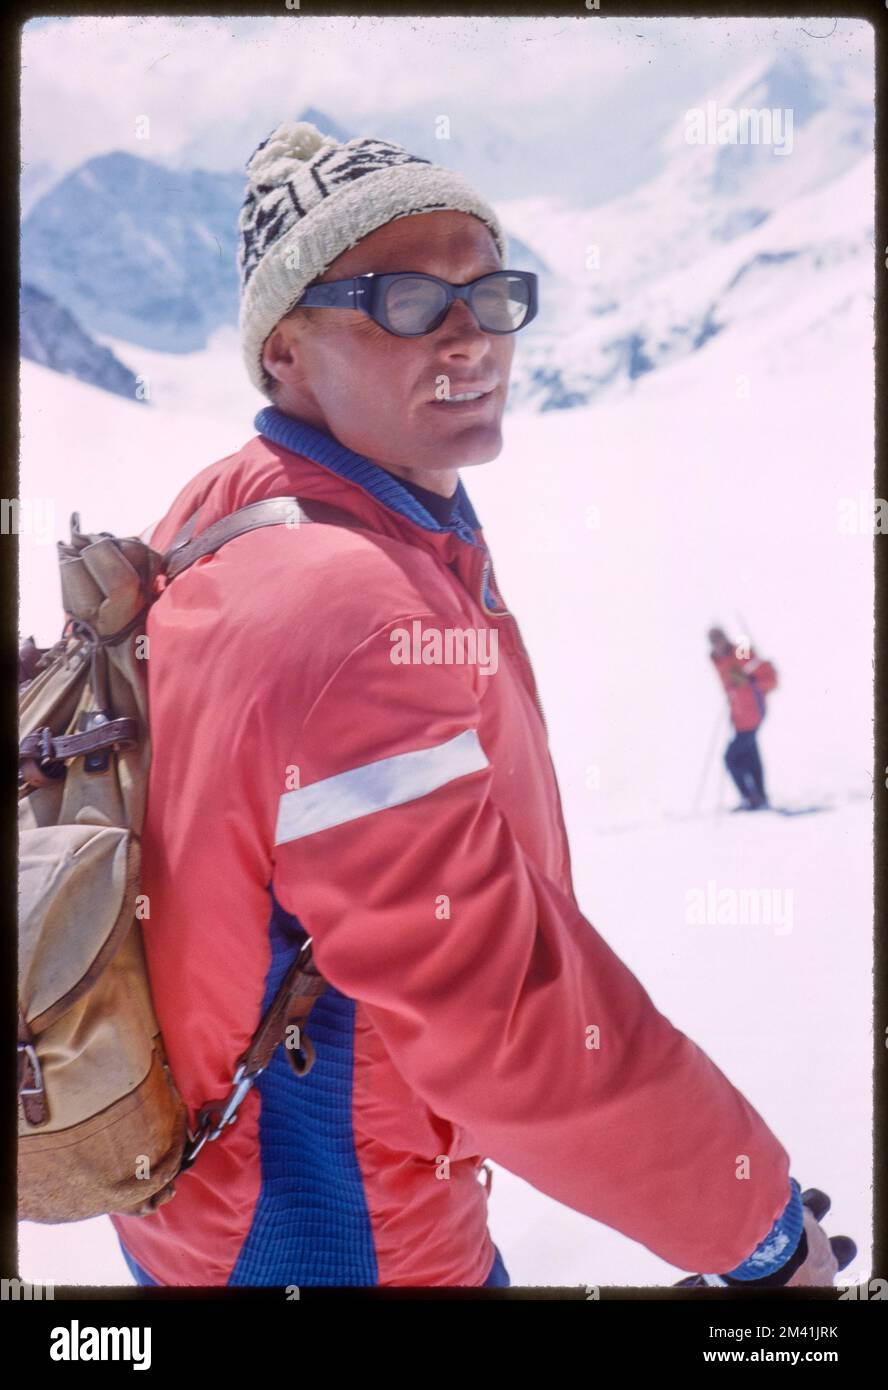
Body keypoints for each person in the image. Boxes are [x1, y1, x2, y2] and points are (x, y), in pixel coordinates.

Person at [110, 120, 838, 1289]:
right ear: (283, 349)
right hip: (334, 1235)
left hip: (232, 1201)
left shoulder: (243, 511)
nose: (471, 334)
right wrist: (757, 1231)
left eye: (490, 291)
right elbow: (505, 1022)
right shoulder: (345, 604)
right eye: (405, 298)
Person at [708, 626, 778, 811]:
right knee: (750, 755)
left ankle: (750, 798)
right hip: (739, 717)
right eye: (714, 642)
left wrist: (750, 681)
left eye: (720, 639)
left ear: (725, 638)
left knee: (731, 758)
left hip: (754, 714)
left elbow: (769, 678)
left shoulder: (740, 650)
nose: (718, 645)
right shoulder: (717, 660)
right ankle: (759, 797)